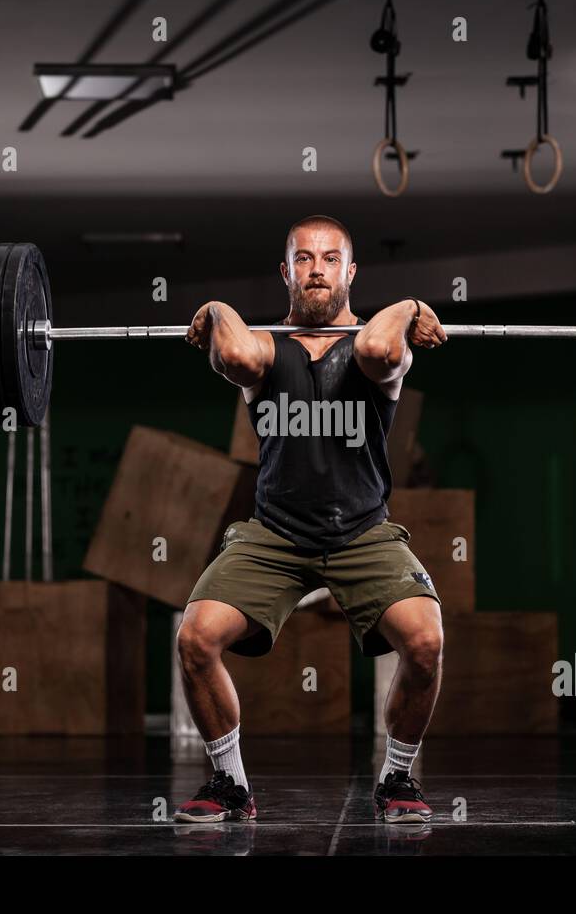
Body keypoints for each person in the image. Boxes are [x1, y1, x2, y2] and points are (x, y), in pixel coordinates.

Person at [174, 215, 446, 825]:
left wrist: (409, 304)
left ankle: (397, 777)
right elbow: (236, 353)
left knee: (425, 642)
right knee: (196, 638)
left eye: (329, 258)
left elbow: (376, 349)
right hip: (274, 533)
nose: (316, 268)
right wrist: (217, 307)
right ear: (286, 272)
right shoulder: (266, 349)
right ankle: (230, 784)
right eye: (303, 258)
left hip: (363, 532)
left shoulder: (382, 344)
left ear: (351, 272)